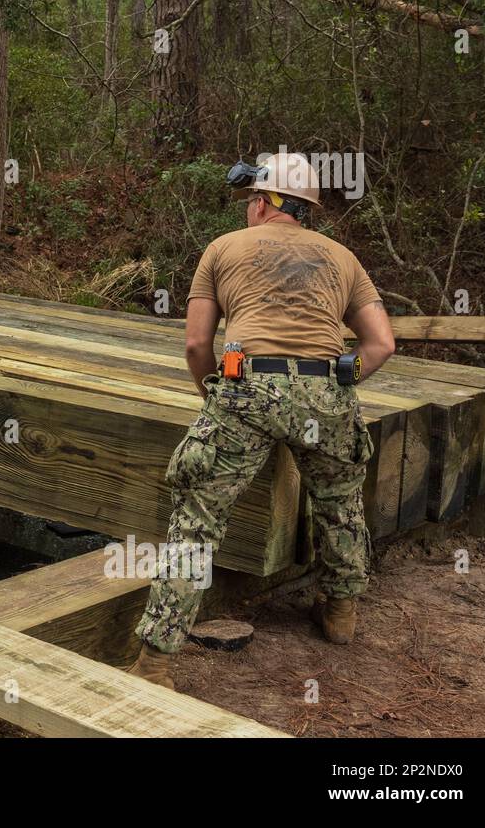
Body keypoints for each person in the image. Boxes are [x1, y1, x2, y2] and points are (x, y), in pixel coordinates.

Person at [128, 152, 396, 690]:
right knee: (340, 502)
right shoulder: (342, 257)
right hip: (328, 391)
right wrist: (337, 384)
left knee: (196, 521)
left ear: (261, 201)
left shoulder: (222, 249)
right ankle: (341, 613)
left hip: (246, 387)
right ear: (306, 208)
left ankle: (156, 660)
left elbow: (197, 343)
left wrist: (217, 400)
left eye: (250, 199)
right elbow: (381, 344)